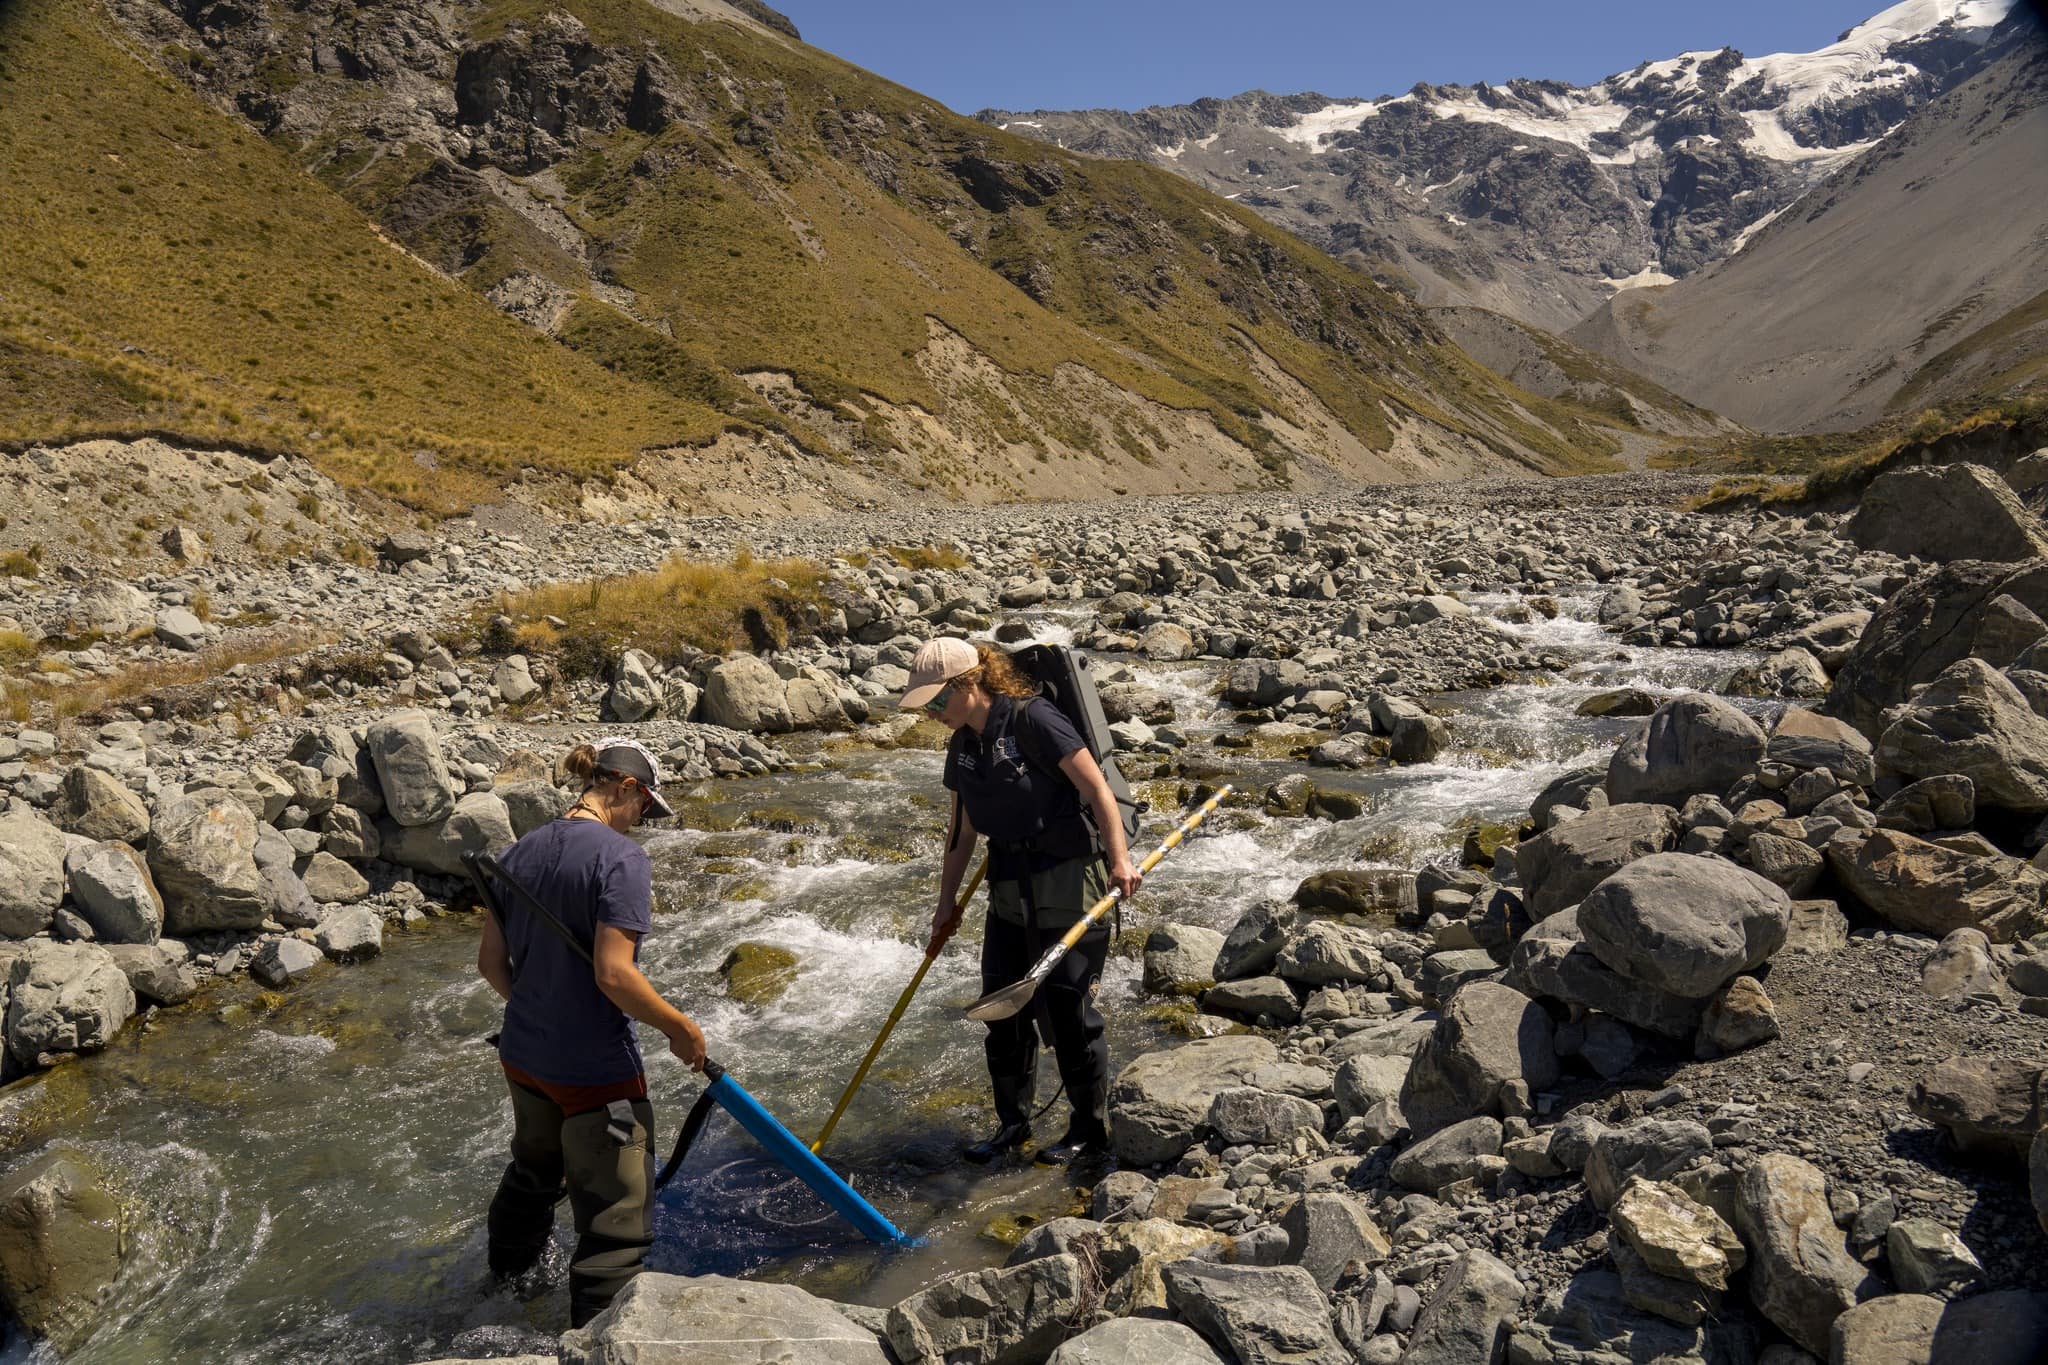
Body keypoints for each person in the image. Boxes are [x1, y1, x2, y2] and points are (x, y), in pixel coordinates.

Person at [474, 736, 708, 1327]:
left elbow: (490, 966)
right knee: (617, 1221)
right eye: (645, 808)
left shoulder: (517, 849)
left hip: (524, 1058)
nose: (643, 822)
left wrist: (540, 1010)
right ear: (623, 787)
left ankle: (498, 1294)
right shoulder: (621, 860)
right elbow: (613, 973)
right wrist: (679, 1027)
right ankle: (595, 1342)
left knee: (532, 1176)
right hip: (598, 1077)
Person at [906, 637, 1141, 1167]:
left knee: (1068, 1011)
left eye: (938, 701)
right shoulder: (962, 744)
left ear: (969, 684)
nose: (934, 714)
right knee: (1001, 1009)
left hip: (1069, 880)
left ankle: (1088, 1129)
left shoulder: (1036, 720)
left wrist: (1121, 861)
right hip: (1009, 887)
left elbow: (1098, 790)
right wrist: (946, 904)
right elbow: (961, 833)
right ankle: (1013, 1124)